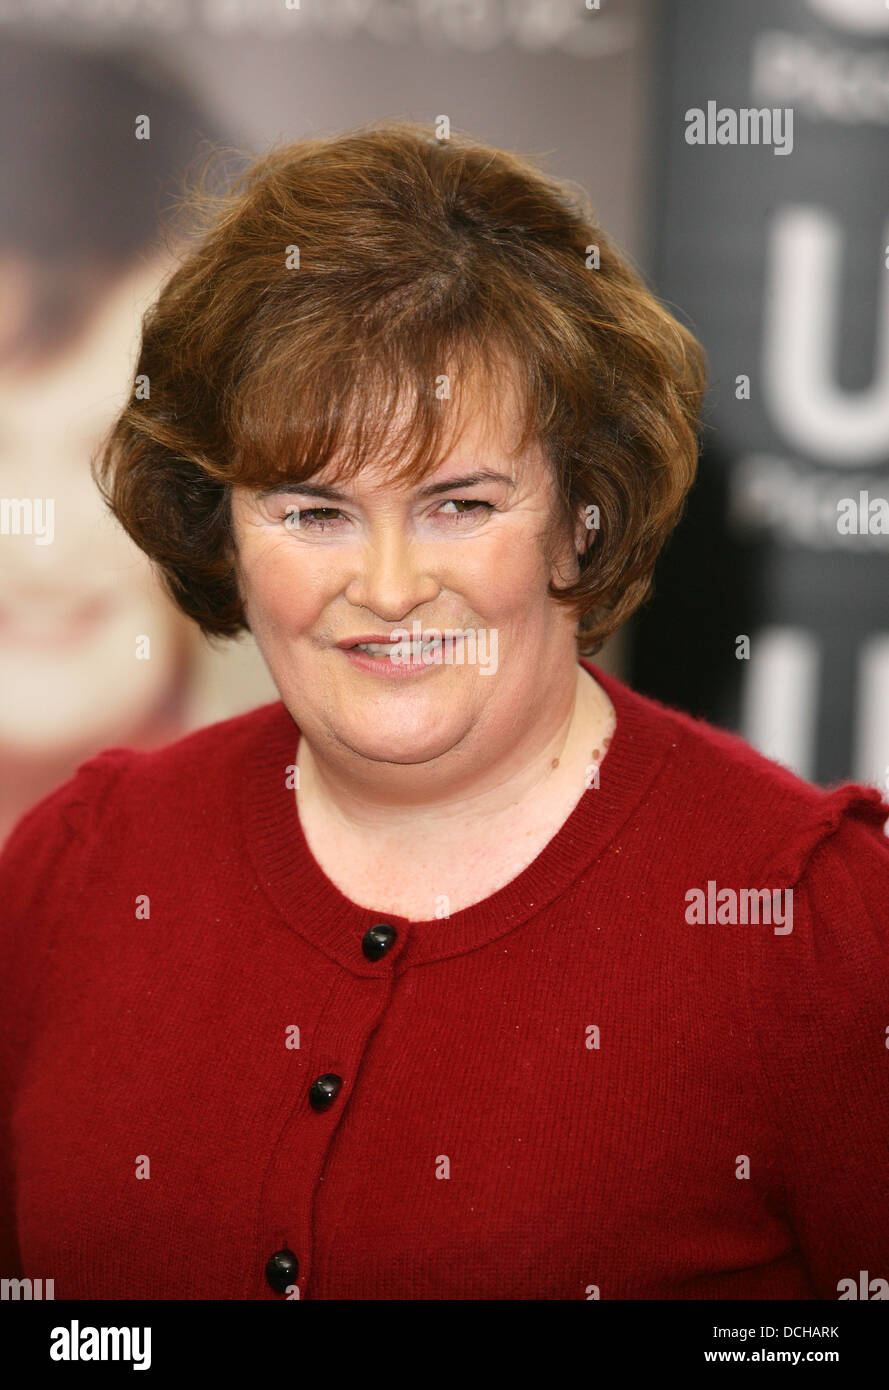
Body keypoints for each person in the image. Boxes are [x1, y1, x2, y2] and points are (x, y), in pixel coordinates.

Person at [1, 121, 887, 1301]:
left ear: (584, 513)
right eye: (311, 510)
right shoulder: (83, 863)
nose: (385, 587)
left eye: (458, 504)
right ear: (219, 526)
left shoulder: (810, 921)